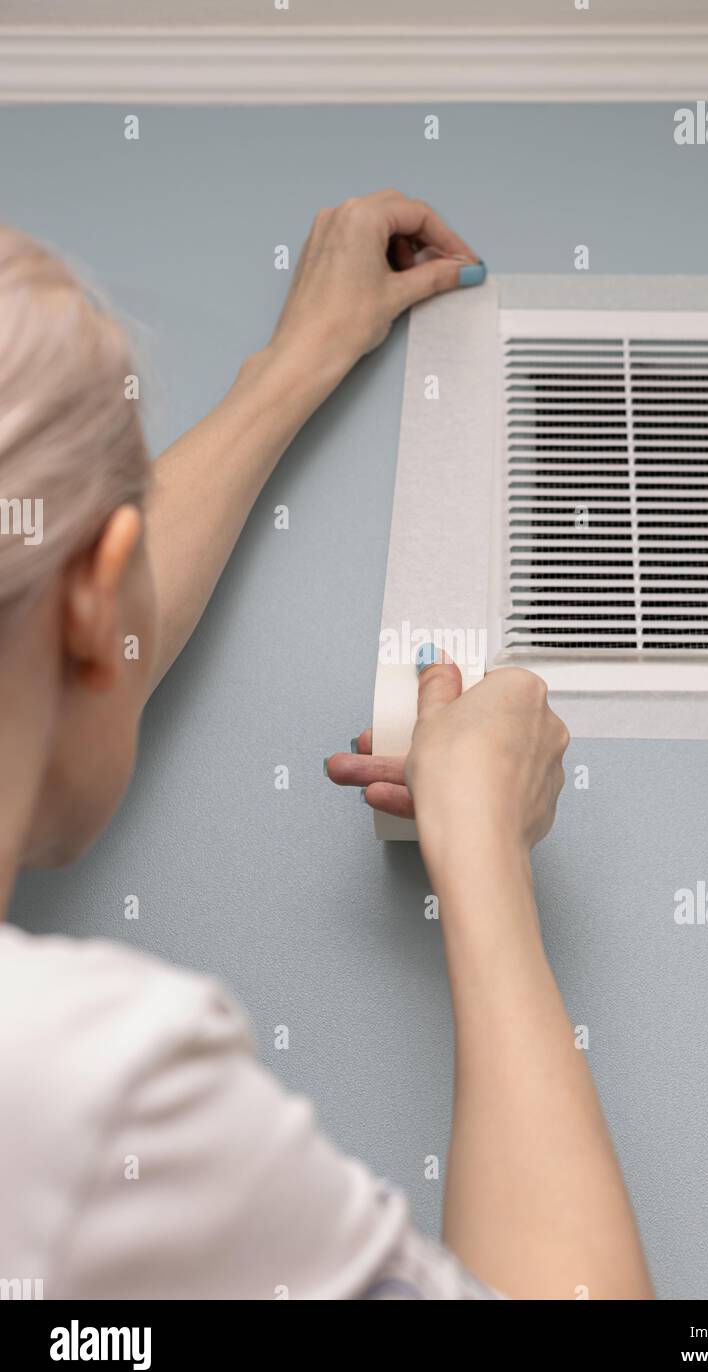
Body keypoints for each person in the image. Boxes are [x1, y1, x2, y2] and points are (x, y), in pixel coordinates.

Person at [0, 190, 652, 1301]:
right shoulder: (84, 1077)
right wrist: (482, 851)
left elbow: (67, 626)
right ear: (91, 598)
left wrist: (295, 358)